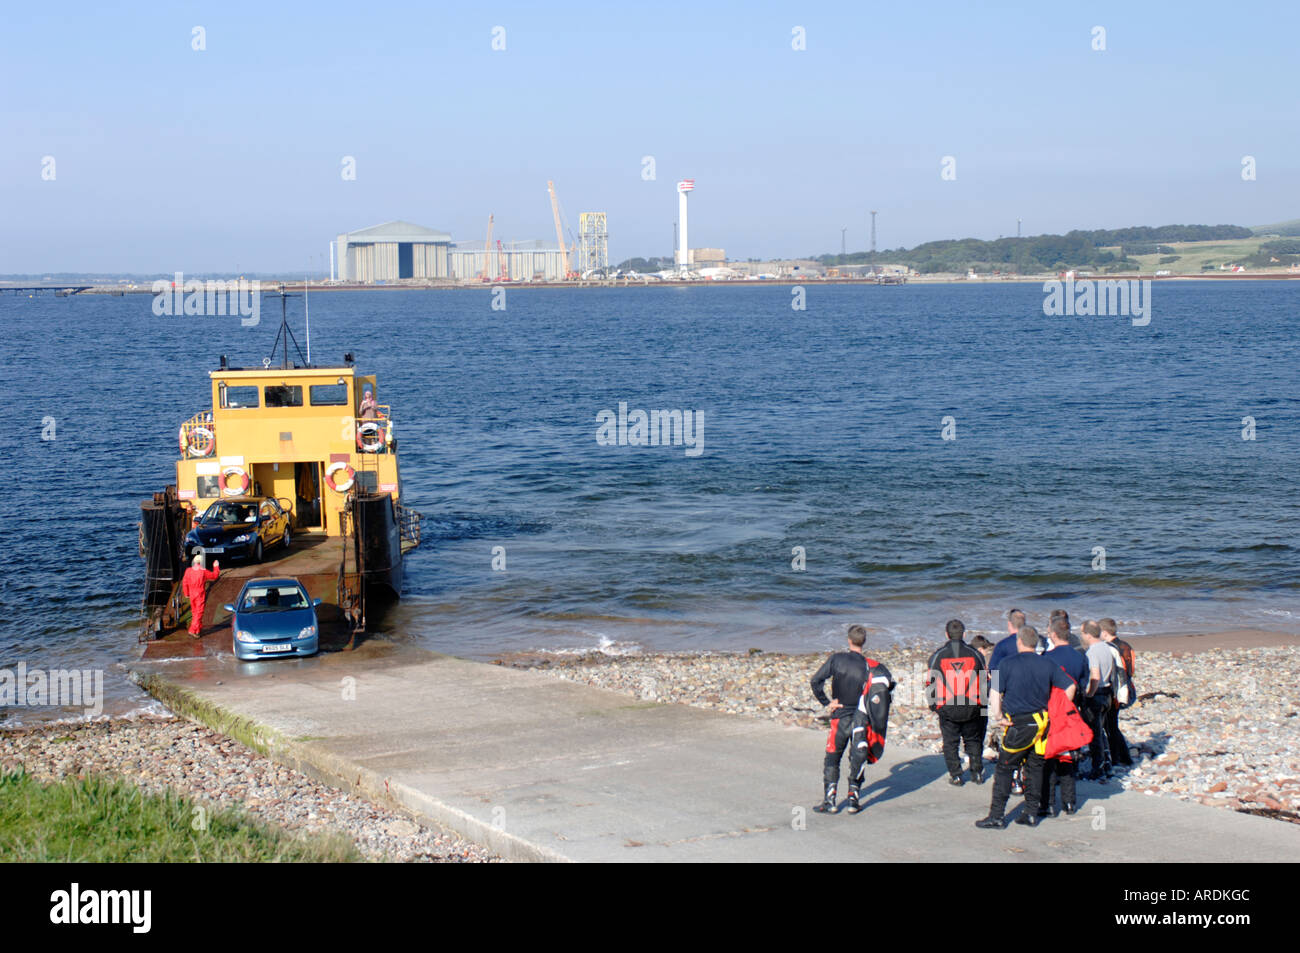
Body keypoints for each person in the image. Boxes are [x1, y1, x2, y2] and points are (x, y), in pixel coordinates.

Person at [975, 626, 1076, 829]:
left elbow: (994, 692)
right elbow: (1070, 686)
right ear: (1035, 643)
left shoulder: (1005, 663)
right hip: (1041, 723)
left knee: (1004, 768)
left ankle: (997, 816)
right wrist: (1057, 713)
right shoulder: (1048, 663)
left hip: (1018, 724)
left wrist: (998, 716)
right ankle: (1031, 813)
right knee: (1035, 767)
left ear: (1019, 642)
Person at [810, 625, 871, 814]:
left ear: (849, 640)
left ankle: (830, 800)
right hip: (861, 717)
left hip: (840, 715)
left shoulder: (837, 659)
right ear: (864, 641)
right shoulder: (870, 665)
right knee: (857, 757)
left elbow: (815, 680)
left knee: (833, 757)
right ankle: (853, 799)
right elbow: (885, 689)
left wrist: (827, 702)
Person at [925, 619, 988, 786]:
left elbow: (930, 682)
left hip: (948, 706)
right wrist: (983, 705)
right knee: (973, 739)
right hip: (971, 705)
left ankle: (956, 775)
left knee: (950, 742)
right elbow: (986, 680)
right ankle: (977, 772)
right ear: (964, 634)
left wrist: (934, 706)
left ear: (946, 634)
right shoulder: (975, 654)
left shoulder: (938, 655)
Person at [1041, 618, 1090, 815]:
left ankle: (1050, 803)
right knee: (1068, 756)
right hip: (1071, 710)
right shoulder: (1080, 656)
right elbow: (1084, 686)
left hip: (1052, 710)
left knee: (1051, 756)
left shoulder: (1046, 657)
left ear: (1053, 634)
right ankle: (1070, 803)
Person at [1080, 620, 1117, 780]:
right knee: (1100, 730)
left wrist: (1089, 694)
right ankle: (1107, 763)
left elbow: (1095, 676)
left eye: (1082, 633)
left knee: (1095, 733)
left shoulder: (1093, 652)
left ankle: (1098, 767)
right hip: (1107, 691)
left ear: (1088, 635)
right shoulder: (1106, 647)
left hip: (1098, 693)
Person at [1100, 618, 1135, 766]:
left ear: (1104, 632)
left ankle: (1119, 757)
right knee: (1112, 725)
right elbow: (1131, 669)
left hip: (1115, 691)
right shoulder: (1126, 646)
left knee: (1110, 726)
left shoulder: (1110, 648)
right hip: (1127, 686)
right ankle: (1122, 755)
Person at [181, 554, 221, 637]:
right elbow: (214, 576)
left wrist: (186, 593)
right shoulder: (203, 570)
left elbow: (184, 583)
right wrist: (216, 567)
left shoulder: (188, 570)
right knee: (199, 613)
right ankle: (193, 630)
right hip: (199, 593)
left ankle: (197, 630)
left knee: (195, 612)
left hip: (192, 593)